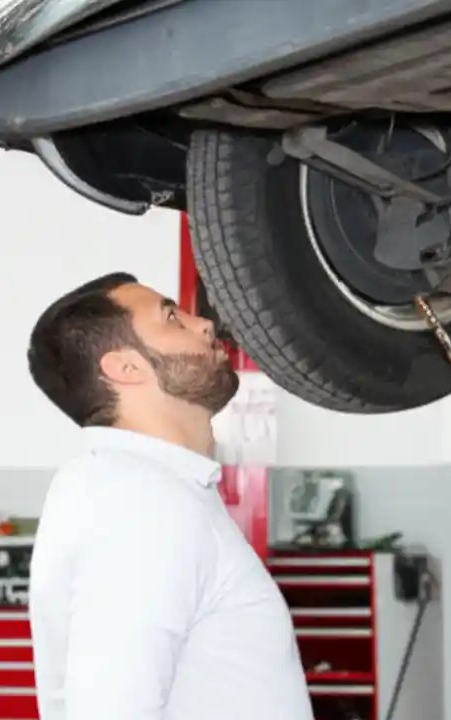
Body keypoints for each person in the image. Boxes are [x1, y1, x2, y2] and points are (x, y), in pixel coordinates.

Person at [24, 272, 313, 720]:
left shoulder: (149, 488)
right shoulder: (139, 500)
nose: (203, 325)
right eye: (172, 318)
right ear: (125, 368)